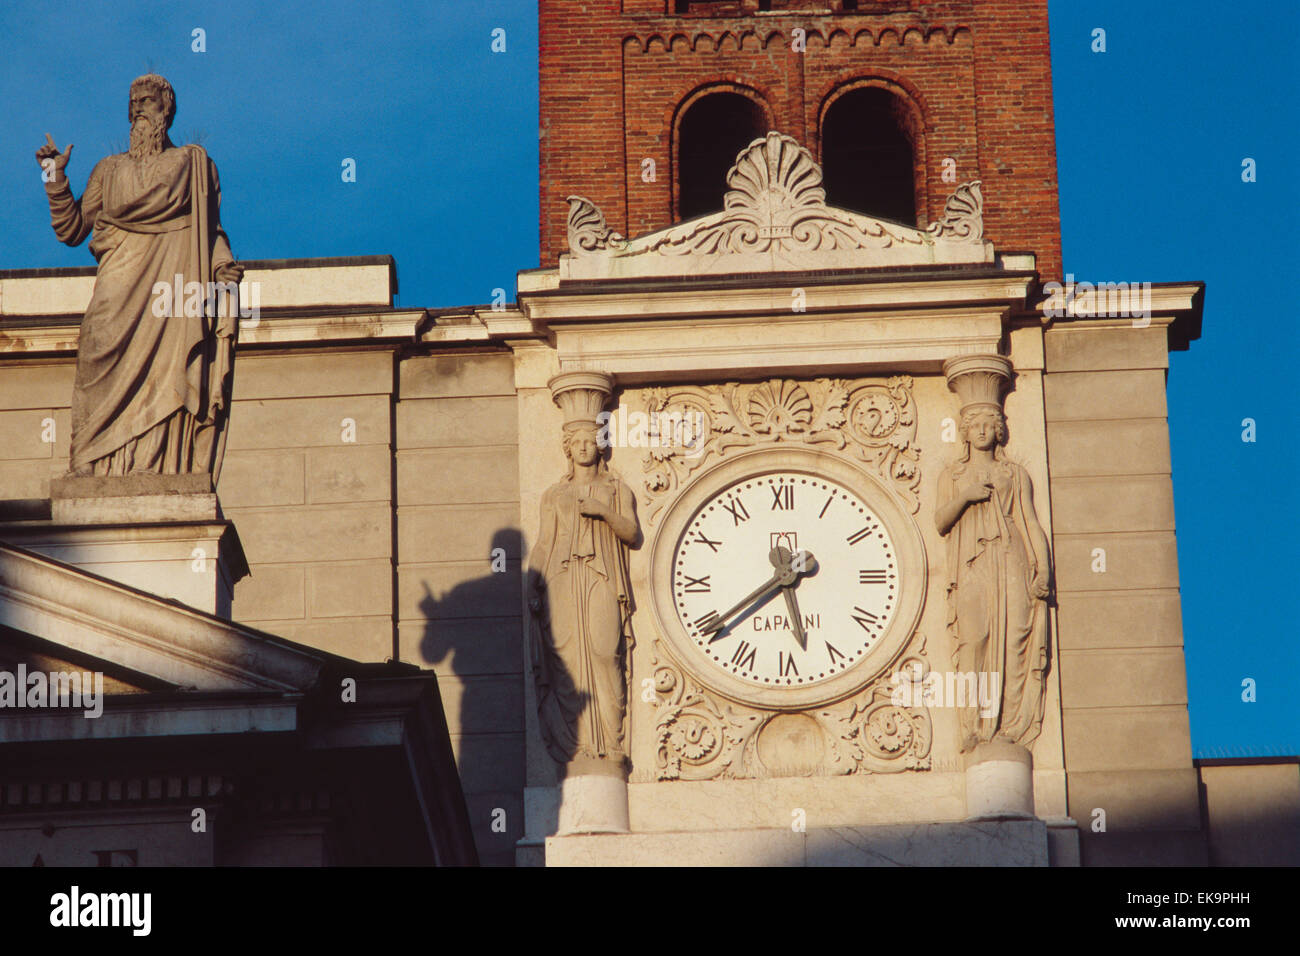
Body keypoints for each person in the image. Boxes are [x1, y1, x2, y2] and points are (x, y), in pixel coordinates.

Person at [36, 73, 242, 479]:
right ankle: (92, 463)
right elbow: (71, 229)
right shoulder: (108, 170)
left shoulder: (192, 163)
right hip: (120, 281)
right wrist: (53, 177)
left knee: (166, 377)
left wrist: (222, 268)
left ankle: (152, 465)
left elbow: (208, 226)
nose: (137, 109)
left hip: (171, 286)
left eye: (147, 100)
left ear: (167, 108)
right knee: (95, 352)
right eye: (132, 102)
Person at [935, 403, 1051, 753]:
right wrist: (965, 498)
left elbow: (1030, 521)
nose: (983, 430)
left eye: (990, 424)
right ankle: (973, 725)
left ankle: (1008, 725)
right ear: (965, 432)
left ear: (999, 430)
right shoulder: (952, 476)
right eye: (975, 425)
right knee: (975, 639)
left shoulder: (1014, 474)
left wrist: (1043, 567)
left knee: (1015, 636)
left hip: (1011, 557)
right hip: (972, 564)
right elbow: (941, 521)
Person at [528, 421, 639, 769]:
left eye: (590, 442)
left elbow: (632, 533)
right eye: (576, 443)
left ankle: (610, 740)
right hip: (561, 577)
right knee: (565, 658)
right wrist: (534, 584)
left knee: (606, 652)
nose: (583, 448)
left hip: (600, 574)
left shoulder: (616, 489)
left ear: (599, 447)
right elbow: (545, 542)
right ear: (568, 449)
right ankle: (578, 744)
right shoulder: (554, 495)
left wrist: (602, 511)